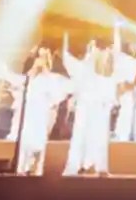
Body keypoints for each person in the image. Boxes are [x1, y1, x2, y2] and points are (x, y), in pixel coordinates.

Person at [62, 35, 119, 176]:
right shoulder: (88, 63)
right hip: (87, 104)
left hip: (98, 105)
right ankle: (80, 164)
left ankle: (95, 165)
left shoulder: (106, 66)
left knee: (97, 135)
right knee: (83, 134)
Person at [15, 49, 70, 175]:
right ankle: (22, 167)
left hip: (42, 113)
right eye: (39, 57)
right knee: (26, 140)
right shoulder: (30, 77)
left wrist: (46, 72)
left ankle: (37, 169)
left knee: (39, 141)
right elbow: (20, 85)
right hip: (30, 113)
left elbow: (57, 96)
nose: (40, 60)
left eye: (43, 57)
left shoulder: (51, 79)